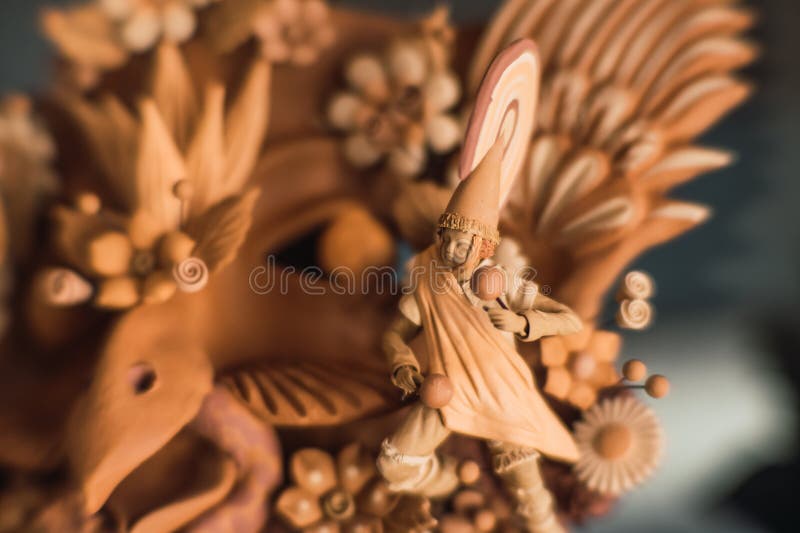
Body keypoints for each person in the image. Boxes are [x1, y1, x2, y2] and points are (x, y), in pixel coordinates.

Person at [377, 143, 582, 533]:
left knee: (532, 498)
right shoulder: (428, 280)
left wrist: (522, 322)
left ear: (484, 247)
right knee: (393, 466)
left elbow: (568, 321)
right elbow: (394, 335)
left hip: (503, 396)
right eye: (447, 240)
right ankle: (452, 479)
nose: (451, 251)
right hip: (447, 394)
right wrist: (401, 362)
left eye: (462, 244)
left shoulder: (503, 283)